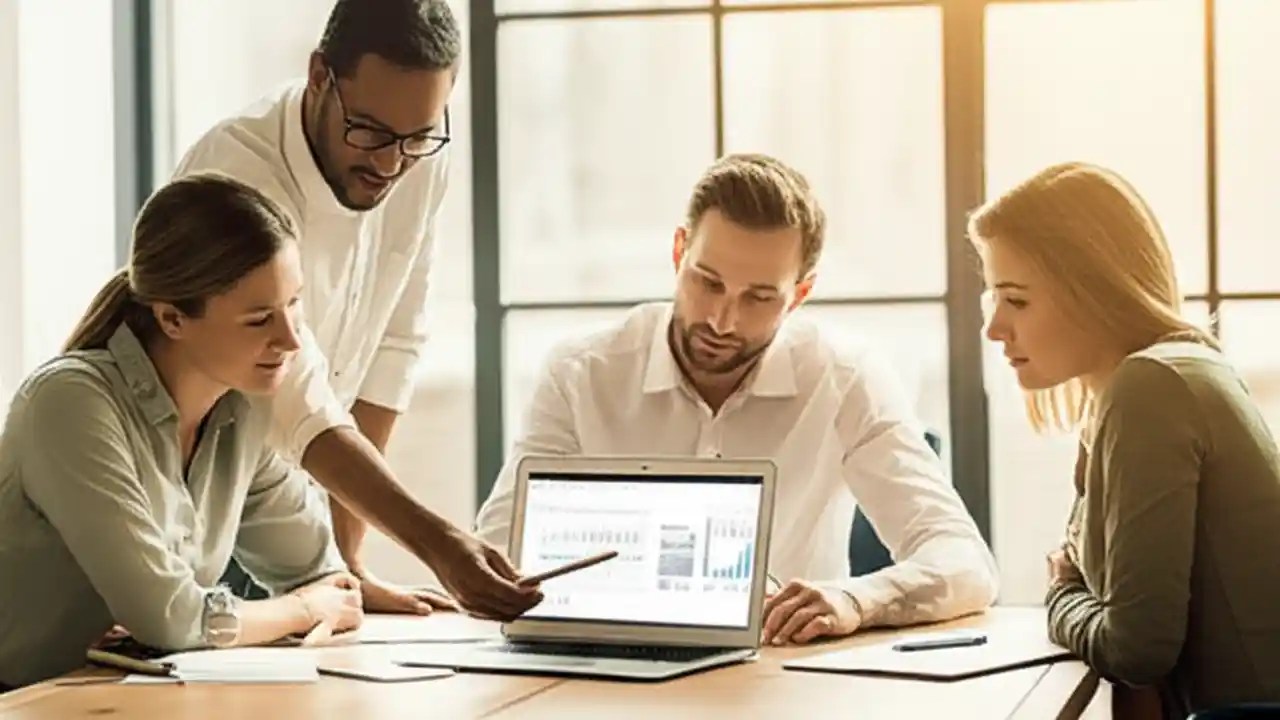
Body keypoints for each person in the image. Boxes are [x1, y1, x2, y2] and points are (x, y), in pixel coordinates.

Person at [474, 153, 998, 645]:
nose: (722, 321)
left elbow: (964, 563)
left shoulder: (845, 376)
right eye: (708, 283)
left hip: (784, 670)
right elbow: (495, 553)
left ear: (799, 295)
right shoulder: (579, 372)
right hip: (601, 659)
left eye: (759, 298)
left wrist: (854, 600)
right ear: (679, 252)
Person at [171, 0, 540, 618]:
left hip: (300, 507)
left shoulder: (419, 159)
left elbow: (394, 344)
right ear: (320, 75)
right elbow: (295, 397)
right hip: (206, 505)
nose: (390, 163)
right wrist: (437, 544)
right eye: (368, 130)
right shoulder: (239, 172)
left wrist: (347, 562)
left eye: (417, 136)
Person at [0, 175, 364, 689]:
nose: (291, 340)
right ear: (173, 319)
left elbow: (324, 575)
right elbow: (171, 618)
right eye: (260, 319)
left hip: (124, 702)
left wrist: (302, 601)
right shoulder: (69, 404)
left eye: (294, 304)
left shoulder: (242, 411)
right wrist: (302, 609)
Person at [973, 161, 1280, 717]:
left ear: (1095, 291)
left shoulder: (1151, 386)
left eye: (1016, 300)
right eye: (992, 299)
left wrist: (1060, 595)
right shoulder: (1149, 382)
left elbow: (1135, 649)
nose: (994, 328)